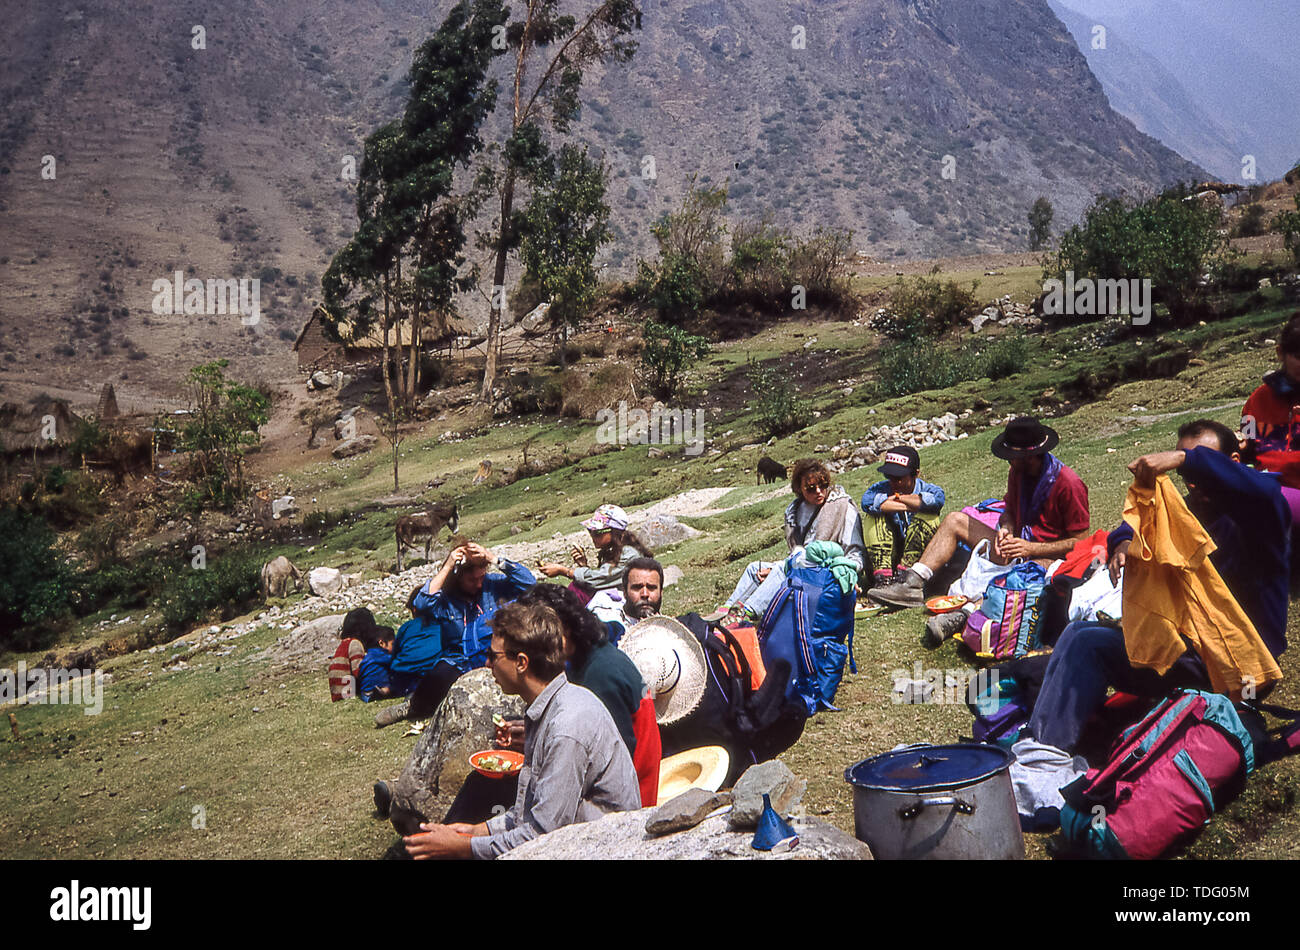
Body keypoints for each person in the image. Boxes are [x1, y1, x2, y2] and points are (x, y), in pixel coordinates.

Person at [1028, 420, 1291, 755]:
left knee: (1086, 643)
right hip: (1189, 651)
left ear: (1233, 464)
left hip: (1242, 670)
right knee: (1080, 635)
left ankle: (1045, 754)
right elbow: (1131, 526)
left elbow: (1267, 489)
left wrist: (1184, 460)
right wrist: (1123, 544)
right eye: (1185, 470)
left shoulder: (1262, 515)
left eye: (1201, 464)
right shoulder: (1190, 510)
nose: (1193, 481)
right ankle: (1041, 748)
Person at [401, 602, 640, 859]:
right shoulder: (551, 707)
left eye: (494, 656)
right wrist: (476, 830)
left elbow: (544, 836)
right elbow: (530, 810)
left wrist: (463, 847)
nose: (487, 662)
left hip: (603, 848)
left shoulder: (567, 726)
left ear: (522, 663)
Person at [869, 418, 1091, 636]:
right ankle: (913, 583)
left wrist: (1031, 549)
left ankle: (964, 615)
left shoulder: (1068, 484)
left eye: (1013, 457)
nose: (1009, 462)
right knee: (955, 520)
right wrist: (1006, 527)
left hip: (1045, 556)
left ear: (1030, 457)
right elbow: (1010, 511)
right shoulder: (1018, 473)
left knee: (1021, 575)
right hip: (1017, 546)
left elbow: (1081, 541)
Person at [375, 540, 535, 727]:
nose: (478, 584)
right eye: (472, 580)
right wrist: (448, 566)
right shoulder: (445, 597)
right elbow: (421, 604)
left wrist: (492, 558)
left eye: (481, 578)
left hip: (492, 653)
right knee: (438, 676)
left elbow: (530, 584)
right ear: (457, 577)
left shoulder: (492, 585)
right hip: (458, 659)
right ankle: (413, 705)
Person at [709, 458, 866, 625]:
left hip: (831, 571)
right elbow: (798, 554)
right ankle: (726, 610)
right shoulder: (796, 511)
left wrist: (846, 573)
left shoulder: (843, 506)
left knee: (780, 571)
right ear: (799, 488)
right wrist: (784, 565)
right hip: (803, 566)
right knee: (754, 568)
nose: (819, 491)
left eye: (823, 485)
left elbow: (855, 553)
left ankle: (745, 614)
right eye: (811, 489)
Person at [1240, 313, 1300, 531]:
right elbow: (1246, 451)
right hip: (1267, 492)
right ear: (1280, 353)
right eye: (1297, 355)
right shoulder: (1257, 400)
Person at [860, 445, 946, 586]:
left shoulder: (930, 489)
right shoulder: (879, 488)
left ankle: (908, 576)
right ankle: (883, 578)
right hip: (891, 555)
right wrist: (912, 503)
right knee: (873, 516)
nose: (893, 482)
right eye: (889, 477)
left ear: (916, 474)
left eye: (898, 478)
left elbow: (936, 501)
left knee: (929, 516)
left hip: (920, 561)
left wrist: (895, 499)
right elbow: (867, 502)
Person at [537, 504, 655, 601]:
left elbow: (601, 579)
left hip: (630, 605)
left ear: (614, 532)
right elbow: (604, 580)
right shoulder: (614, 551)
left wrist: (564, 571)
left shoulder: (629, 555)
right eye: (590, 531)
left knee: (576, 591)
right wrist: (583, 566)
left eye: (597, 532)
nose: (593, 536)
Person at [586, 556, 664, 644]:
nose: (645, 594)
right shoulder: (608, 628)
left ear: (661, 592)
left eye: (651, 588)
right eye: (637, 587)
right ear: (624, 592)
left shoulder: (670, 633)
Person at [327, 608, 373, 702]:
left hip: (338, 693)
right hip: (347, 693)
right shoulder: (355, 644)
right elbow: (359, 672)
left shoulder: (345, 643)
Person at [356, 626, 396, 702]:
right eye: (393, 644)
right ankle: (384, 691)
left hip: (364, 694)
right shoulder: (384, 655)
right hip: (377, 689)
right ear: (381, 643)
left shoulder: (368, 656)